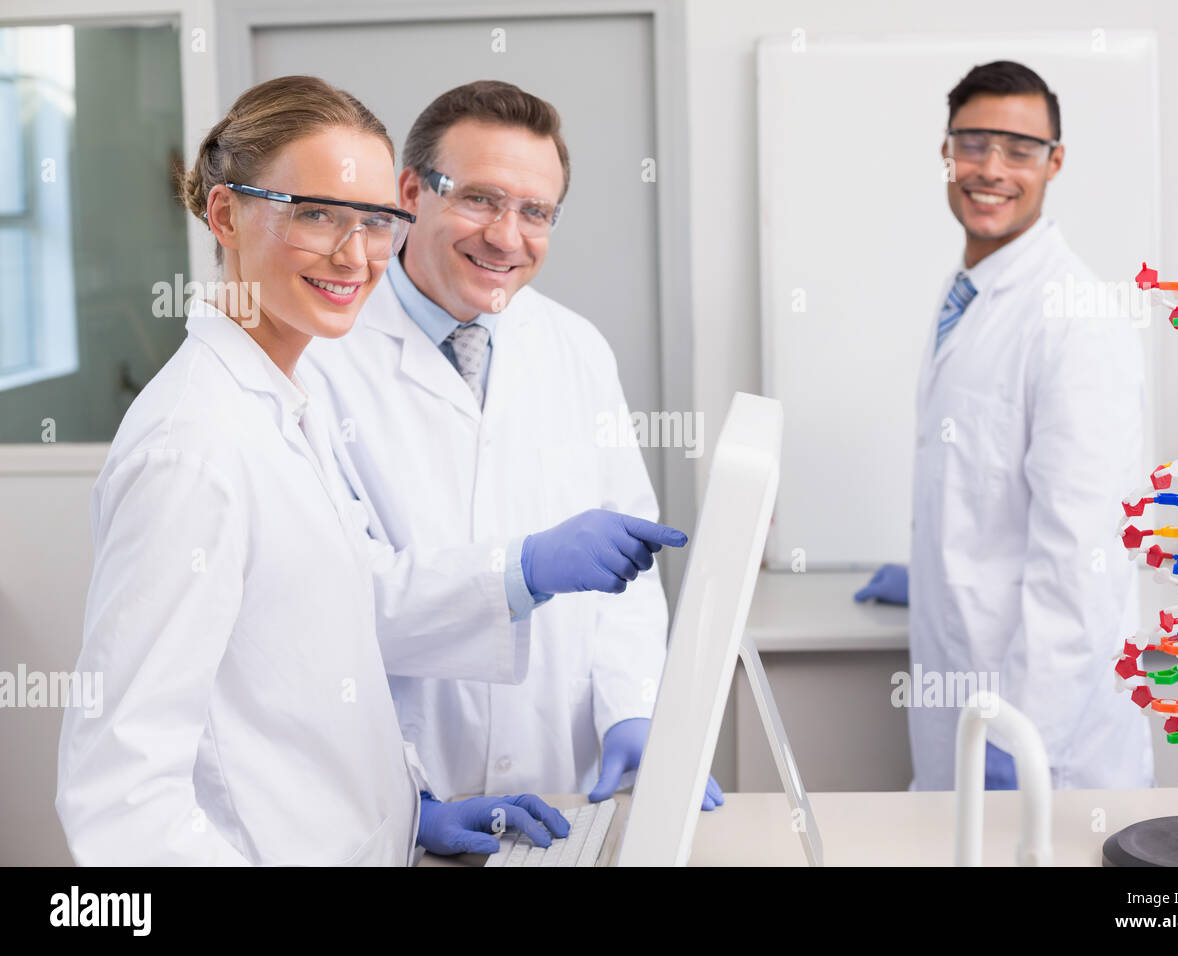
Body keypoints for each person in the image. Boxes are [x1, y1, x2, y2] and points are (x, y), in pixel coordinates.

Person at [55, 75, 571, 865]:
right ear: (226, 213)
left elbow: (320, 637)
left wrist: (406, 813)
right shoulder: (193, 446)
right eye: (317, 214)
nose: (354, 254)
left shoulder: (287, 401)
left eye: (374, 222)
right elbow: (119, 794)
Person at [299, 80, 722, 808]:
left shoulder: (575, 348)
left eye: (535, 212)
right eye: (479, 199)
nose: (506, 236)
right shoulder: (318, 357)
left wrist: (634, 706)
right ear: (409, 191)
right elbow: (323, 602)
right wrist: (518, 573)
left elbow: (630, 573)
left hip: (561, 795)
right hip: (393, 800)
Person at [854, 61, 1153, 791]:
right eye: (973, 143)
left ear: (1055, 162)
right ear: (946, 152)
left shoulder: (1075, 322)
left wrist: (1024, 735)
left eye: (1019, 149)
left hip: (1050, 745)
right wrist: (936, 572)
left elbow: (1081, 559)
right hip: (964, 690)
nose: (991, 168)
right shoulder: (970, 292)